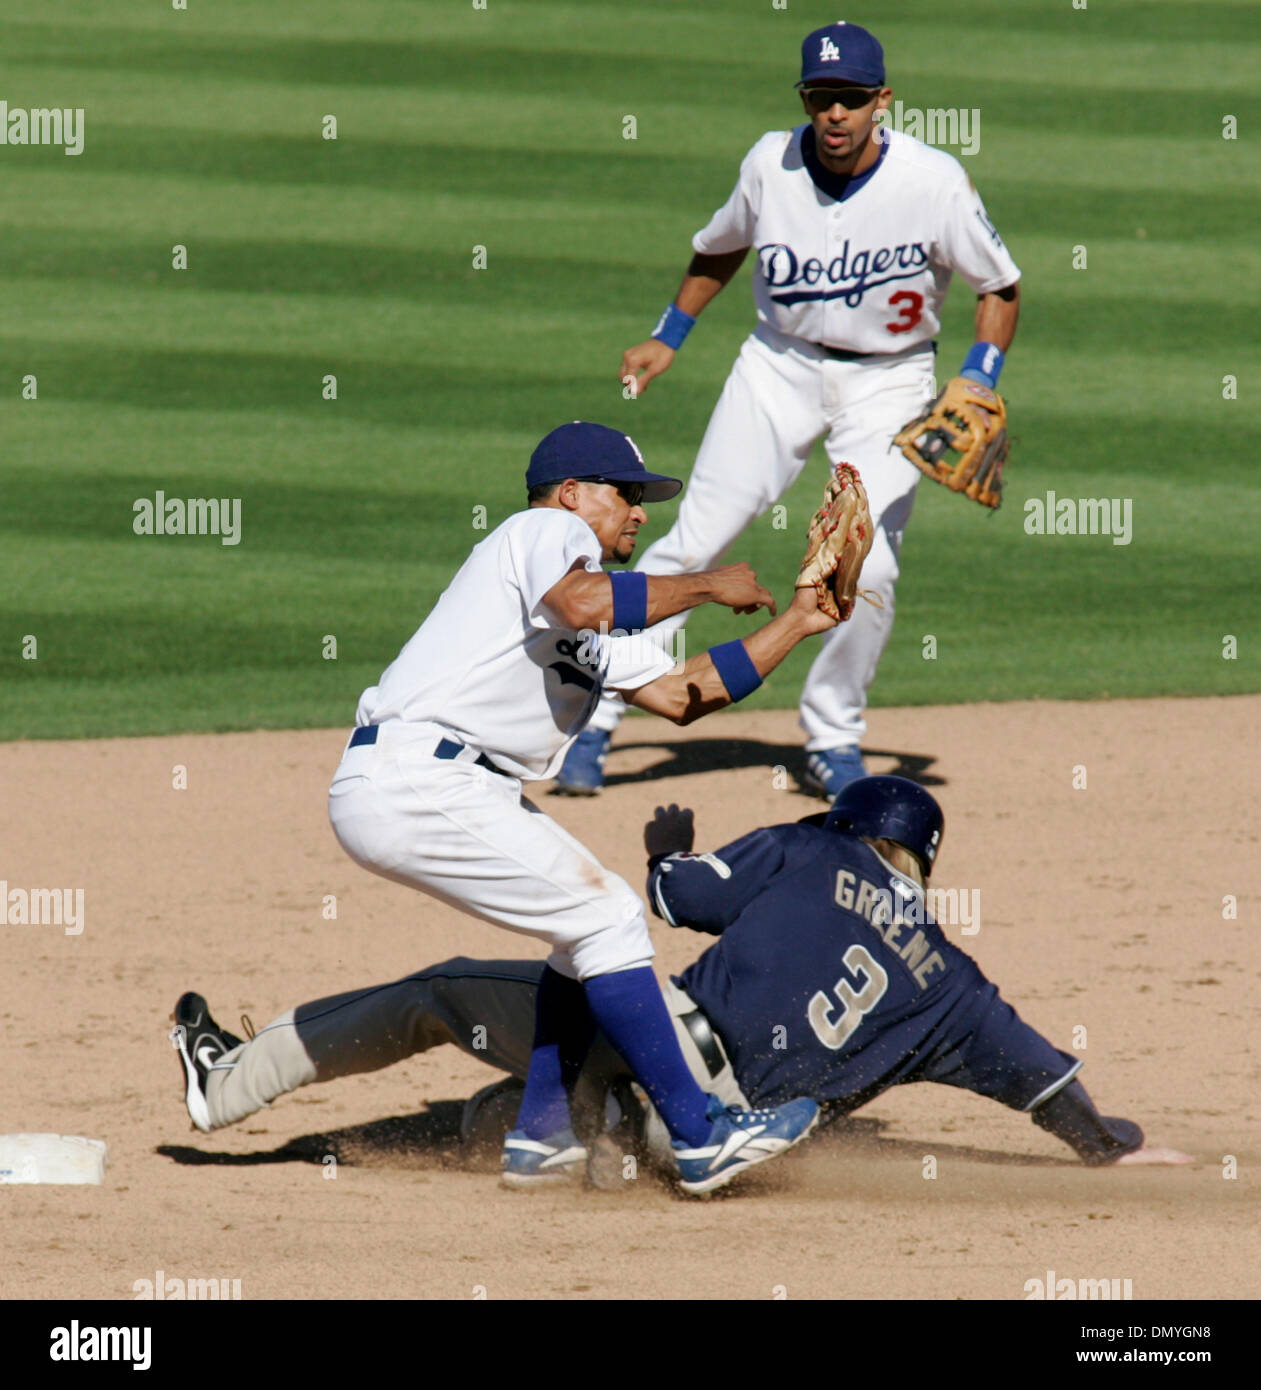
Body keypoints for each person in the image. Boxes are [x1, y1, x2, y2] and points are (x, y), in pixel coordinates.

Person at [172, 420, 847, 1196]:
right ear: (570, 494)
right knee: (610, 919)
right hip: (417, 777)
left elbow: (680, 695)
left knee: (578, 937)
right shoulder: (542, 533)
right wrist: (706, 584)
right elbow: (584, 599)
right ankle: (700, 1137)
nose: (639, 511)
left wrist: (799, 621)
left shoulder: (582, 613)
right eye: (624, 493)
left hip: (443, 785)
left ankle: (542, 1135)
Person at [169, 778, 1190, 1182]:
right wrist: (1110, 1148)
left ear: (855, 830)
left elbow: (672, 897)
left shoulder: (811, 849)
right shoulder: (957, 985)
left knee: (441, 994)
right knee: (502, 1104)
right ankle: (559, 1138)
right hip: (726, 1140)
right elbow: (1048, 1086)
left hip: (668, 1061)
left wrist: (668, 843)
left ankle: (230, 1081)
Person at [554, 19, 1021, 798]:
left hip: (891, 381)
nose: (833, 114)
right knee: (695, 540)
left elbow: (998, 284)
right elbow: (720, 244)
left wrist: (978, 375)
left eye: (849, 98)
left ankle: (834, 737)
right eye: (819, 97)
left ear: (882, 101)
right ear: (804, 99)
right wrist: (669, 334)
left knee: (863, 561)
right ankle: (600, 716)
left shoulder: (932, 180)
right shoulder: (768, 164)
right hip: (777, 365)